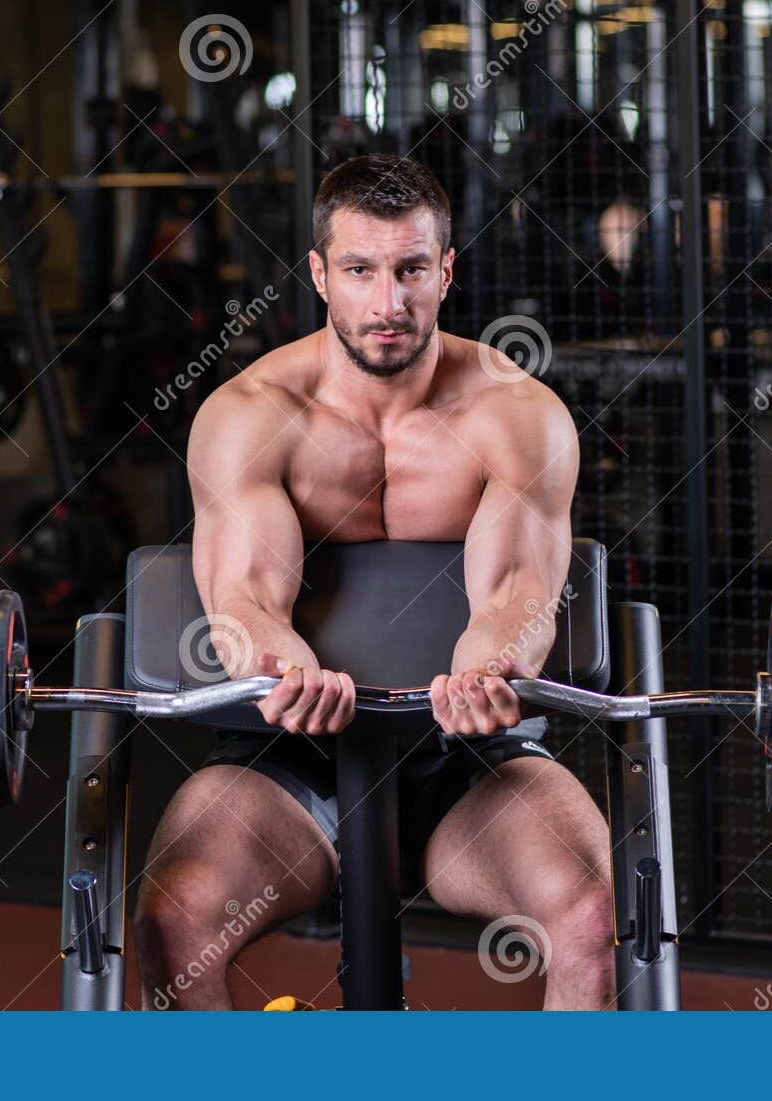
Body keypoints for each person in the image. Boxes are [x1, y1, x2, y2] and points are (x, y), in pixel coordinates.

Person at [134, 154, 613, 1010]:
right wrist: (283, 668)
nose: (388, 304)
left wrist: (490, 668)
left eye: (410, 270)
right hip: (290, 763)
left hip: (469, 763)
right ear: (320, 274)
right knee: (176, 917)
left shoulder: (518, 412)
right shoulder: (251, 414)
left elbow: (516, 592)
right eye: (359, 270)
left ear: (446, 270)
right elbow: (244, 596)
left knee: (591, 913)